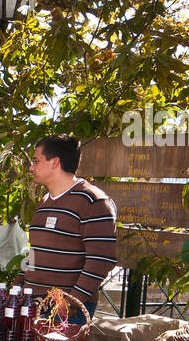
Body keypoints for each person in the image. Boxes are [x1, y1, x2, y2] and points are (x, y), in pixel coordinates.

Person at [19, 134, 118, 321]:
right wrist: (17, 288)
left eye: (36, 161)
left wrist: (71, 302)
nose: (31, 168)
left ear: (54, 162)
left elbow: (101, 260)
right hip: (32, 304)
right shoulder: (44, 202)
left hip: (66, 310)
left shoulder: (93, 201)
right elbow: (35, 252)